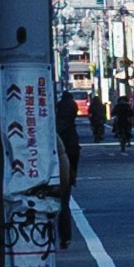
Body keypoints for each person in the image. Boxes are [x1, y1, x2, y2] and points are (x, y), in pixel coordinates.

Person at [55, 83, 83, 250]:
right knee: (64, 203)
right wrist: (72, 176)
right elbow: (74, 156)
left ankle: (44, 238)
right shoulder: (72, 132)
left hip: (50, 171)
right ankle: (65, 237)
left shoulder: (53, 130)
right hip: (66, 173)